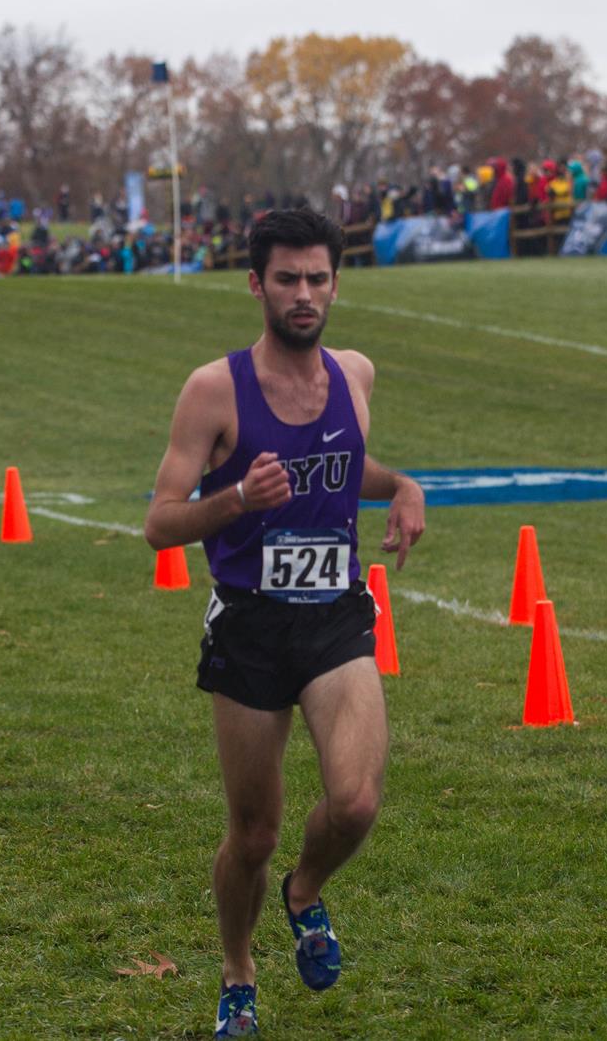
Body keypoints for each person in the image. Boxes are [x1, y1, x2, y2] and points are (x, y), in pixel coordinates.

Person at [143, 208, 425, 1038]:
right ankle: (238, 971)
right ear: (256, 284)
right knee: (254, 833)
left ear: (336, 283)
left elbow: (348, 469)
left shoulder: (355, 374)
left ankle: (305, 893)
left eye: (318, 279)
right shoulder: (214, 389)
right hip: (251, 628)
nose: (304, 295)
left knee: (358, 801)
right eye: (287, 279)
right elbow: (160, 522)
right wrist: (234, 499)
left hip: (335, 616)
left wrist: (403, 485)